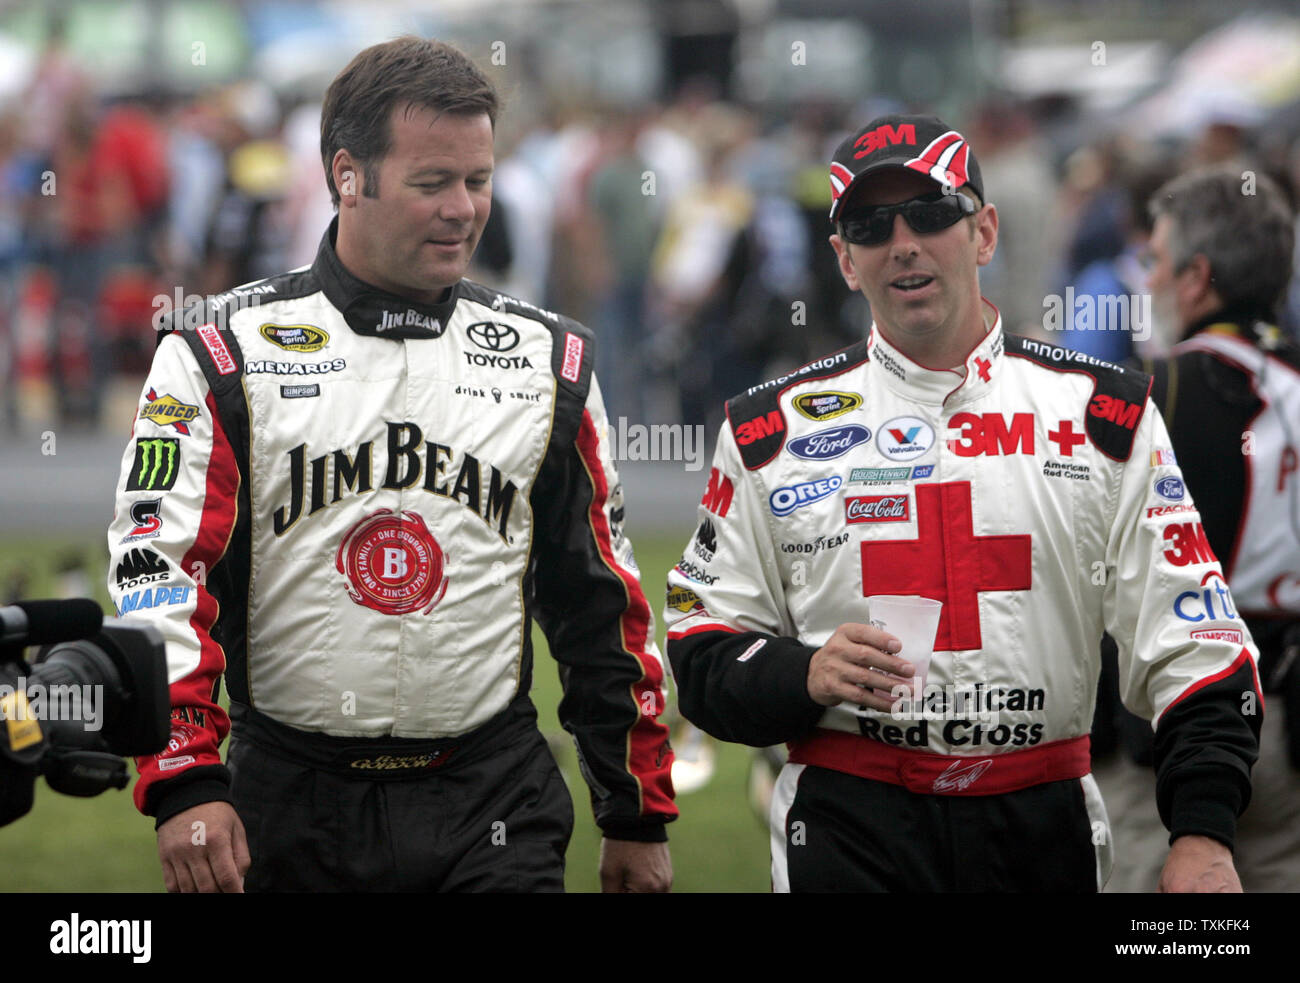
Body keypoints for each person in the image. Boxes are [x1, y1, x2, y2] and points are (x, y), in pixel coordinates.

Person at [106, 36, 676, 893]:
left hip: (494, 796)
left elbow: (602, 600)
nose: (463, 210)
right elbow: (158, 572)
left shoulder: (548, 358)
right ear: (348, 175)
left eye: (477, 181)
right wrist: (185, 777)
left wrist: (634, 808)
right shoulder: (219, 352)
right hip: (289, 799)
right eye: (431, 183)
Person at [663, 114, 1261, 892]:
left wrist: (1204, 834)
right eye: (872, 226)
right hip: (849, 827)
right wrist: (804, 672)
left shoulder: (1103, 415)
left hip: (1042, 827)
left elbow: (1199, 640)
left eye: (933, 214)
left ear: (984, 232)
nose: (904, 241)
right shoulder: (766, 429)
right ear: (844, 260)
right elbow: (701, 647)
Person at [1095, 164, 1300, 892]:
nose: (1145, 279)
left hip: (1175, 724)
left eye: (1154, 260)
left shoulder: (1151, 393)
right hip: (1287, 725)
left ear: (1196, 276)